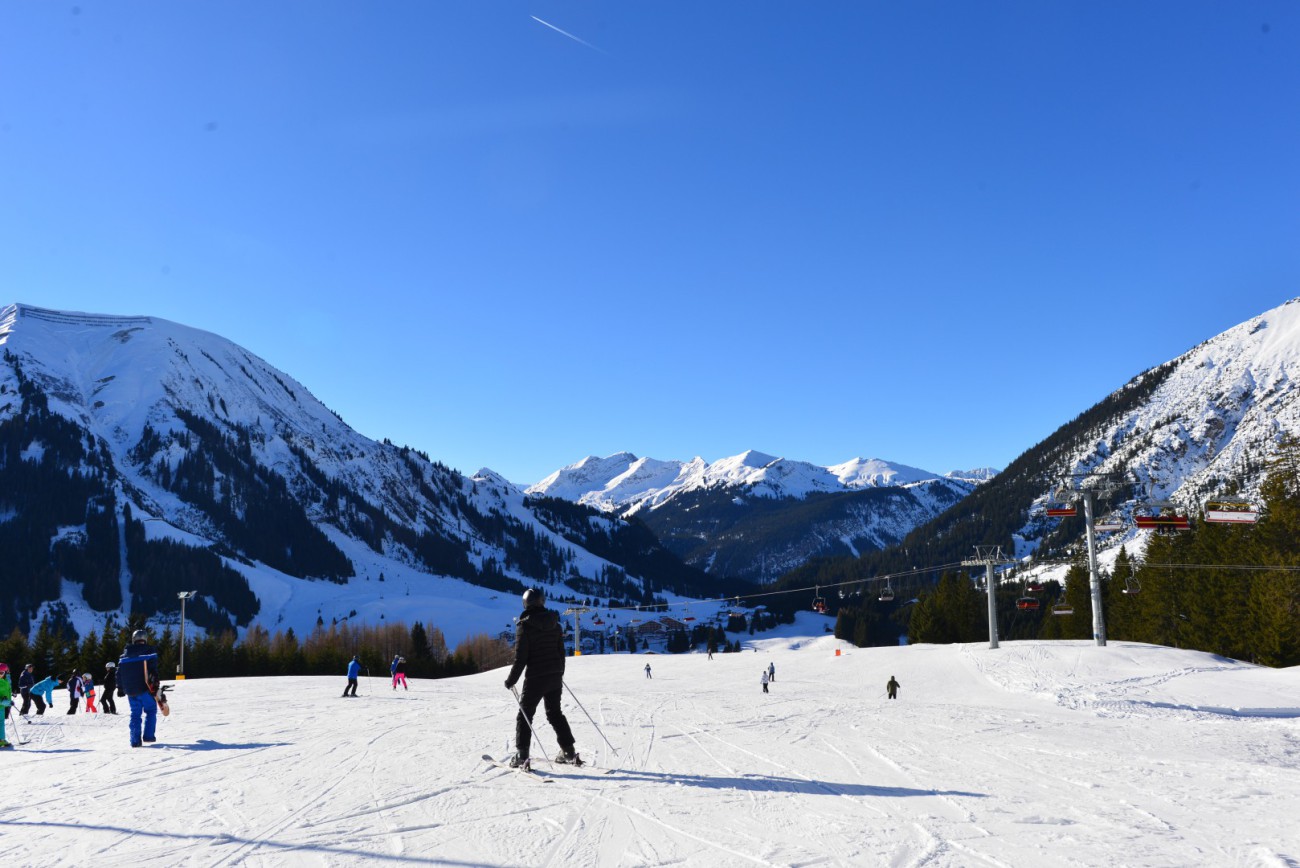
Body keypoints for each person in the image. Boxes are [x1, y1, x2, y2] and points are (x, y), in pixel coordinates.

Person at [503, 587, 579, 769]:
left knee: (525, 714)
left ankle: (522, 755)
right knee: (555, 713)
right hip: (554, 676)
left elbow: (520, 658)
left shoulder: (525, 626)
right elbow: (561, 653)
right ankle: (568, 751)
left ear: (526, 603)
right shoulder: (556, 624)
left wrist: (511, 680)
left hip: (535, 677)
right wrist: (559, 673)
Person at [118, 629, 162, 747]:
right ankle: (148, 736)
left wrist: (120, 688)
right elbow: (153, 670)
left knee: (135, 714)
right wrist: (156, 686)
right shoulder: (149, 652)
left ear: (134, 640)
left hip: (130, 690)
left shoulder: (124, 656)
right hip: (145, 688)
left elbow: (119, 673)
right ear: (145, 639)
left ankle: (135, 740)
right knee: (151, 711)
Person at [0, 663, 12, 749]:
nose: (0, 674)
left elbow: (9, 683)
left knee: (1, 723)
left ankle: (1, 740)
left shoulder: (5, 681)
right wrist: (4, 701)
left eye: (1, 673)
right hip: (2, 705)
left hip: (2, 707)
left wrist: (9, 702)